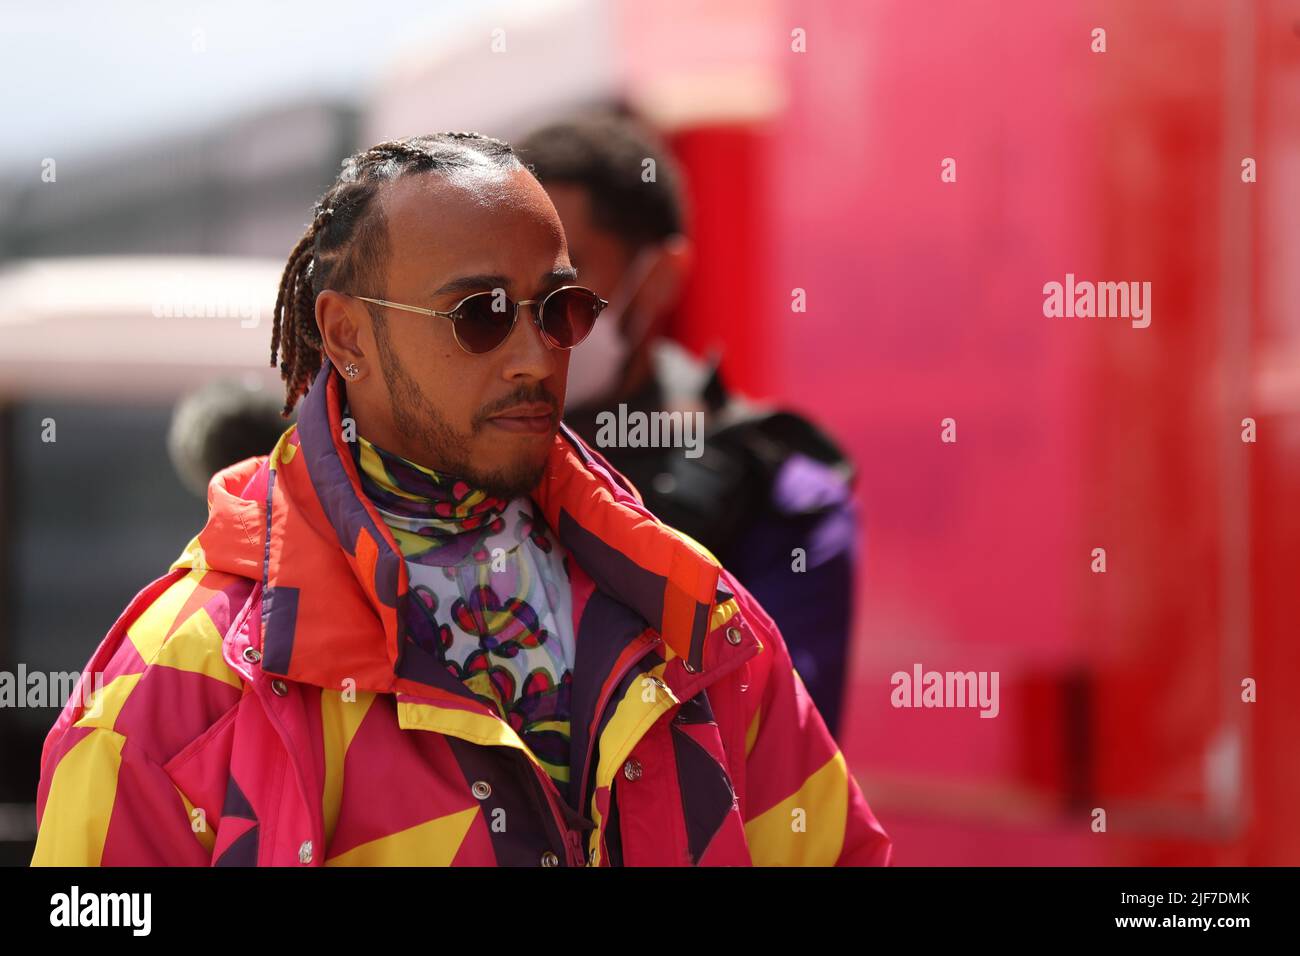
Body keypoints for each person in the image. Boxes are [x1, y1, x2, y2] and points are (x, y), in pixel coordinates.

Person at [31, 132, 890, 866]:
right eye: (478, 313)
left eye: (559, 308)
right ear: (346, 333)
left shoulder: (694, 614)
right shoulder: (180, 683)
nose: (533, 355)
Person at [519, 113, 860, 736]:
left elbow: (775, 755)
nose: (530, 311)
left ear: (658, 279)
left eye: (565, 276)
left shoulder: (779, 493)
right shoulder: (445, 461)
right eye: (507, 279)